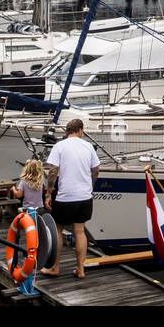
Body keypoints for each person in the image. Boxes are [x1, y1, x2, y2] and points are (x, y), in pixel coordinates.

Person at [42, 118, 99, 278]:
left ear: (67, 131)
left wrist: (49, 192)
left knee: (58, 230)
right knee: (80, 231)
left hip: (66, 197)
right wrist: (91, 186)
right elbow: (96, 170)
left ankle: (55, 267)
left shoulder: (59, 146)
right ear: (80, 130)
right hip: (84, 197)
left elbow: (52, 171)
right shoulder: (88, 146)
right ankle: (81, 269)